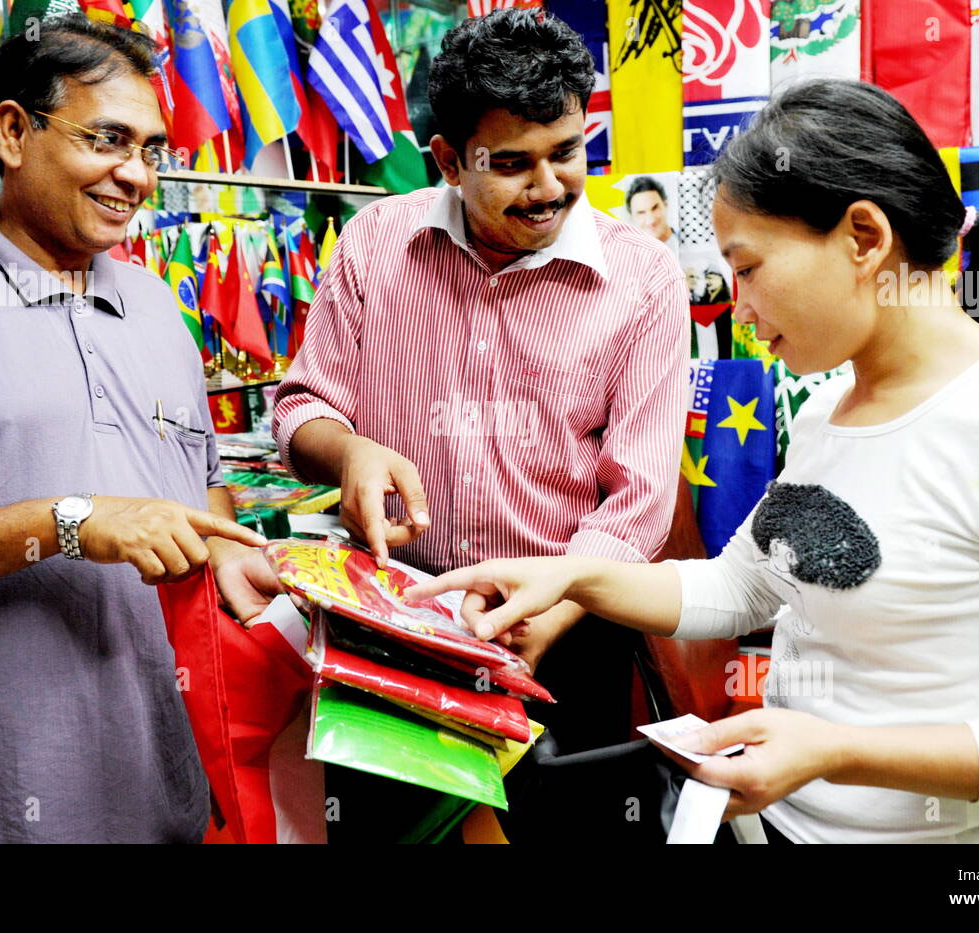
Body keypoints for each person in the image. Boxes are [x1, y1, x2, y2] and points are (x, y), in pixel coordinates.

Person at [407, 79, 979, 843]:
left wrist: (838, 751)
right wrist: (570, 574)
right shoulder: (829, 409)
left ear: (863, 238)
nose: (740, 308)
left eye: (748, 268)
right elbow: (743, 584)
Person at [0, 19, 281, 843]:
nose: (136, 175)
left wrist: (229, 554)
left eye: (153, 149)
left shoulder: (154, 303)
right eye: (108, 140)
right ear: (13, 130)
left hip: (162, 798)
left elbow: (198, 489)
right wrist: (65, 523)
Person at [272, 8, 688, 776]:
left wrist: (551, 606)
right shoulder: (373, 242)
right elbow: (301, 408)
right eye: (511, 164)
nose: (548, 186)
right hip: (395, 622)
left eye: (567, 152)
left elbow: (640, 499)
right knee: (390, 826)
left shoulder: (644, 278)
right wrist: (350, 448)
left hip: (566, 635)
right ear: (450, 159)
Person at [626, 175, 679, 259]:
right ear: (632, 217)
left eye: (655, 208)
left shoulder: (687, 243)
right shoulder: (629, 257)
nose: (651, 220)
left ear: (665, 205)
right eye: (641, 213)